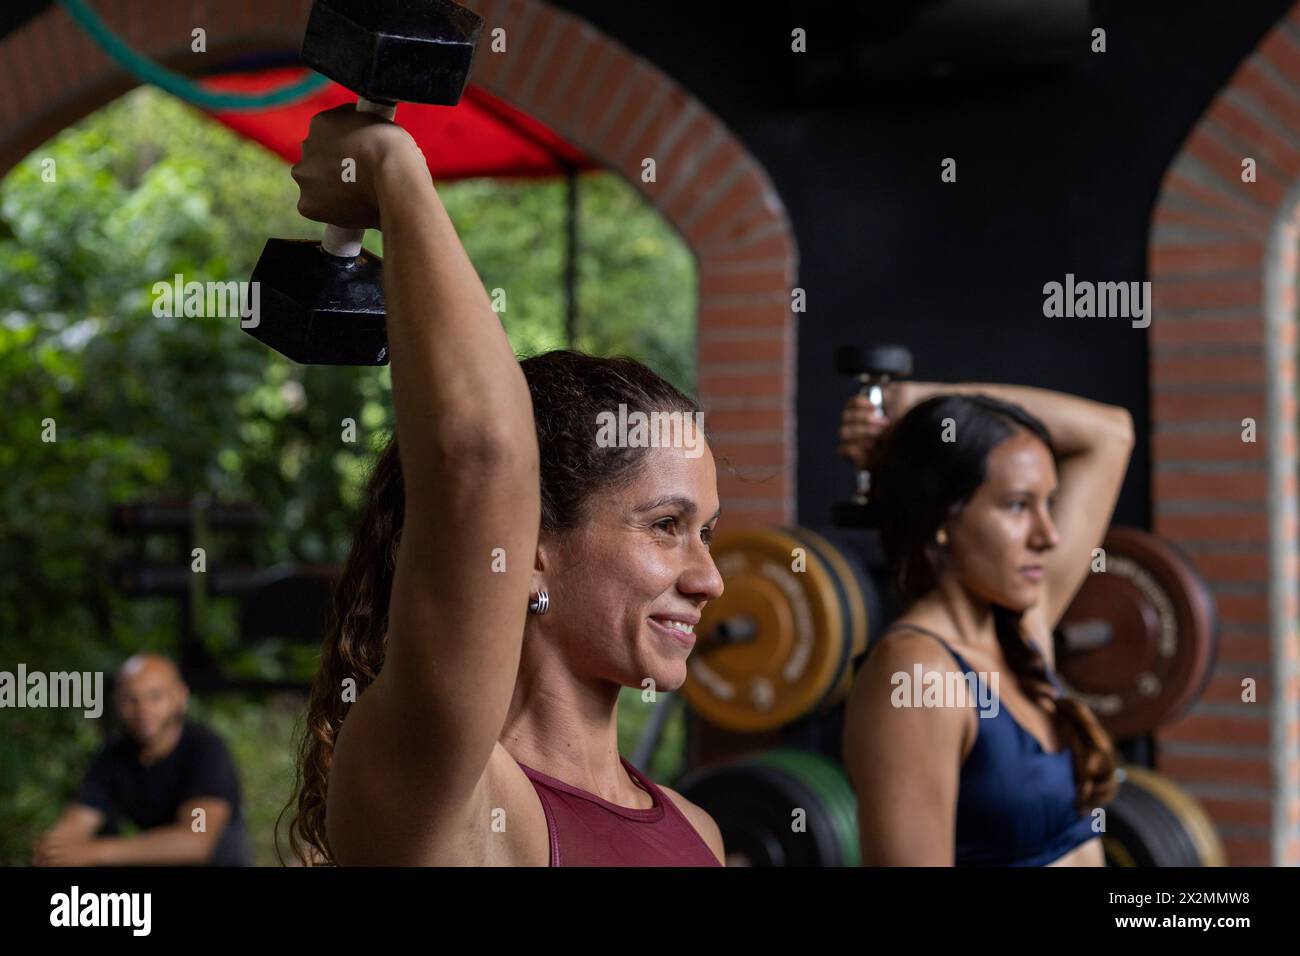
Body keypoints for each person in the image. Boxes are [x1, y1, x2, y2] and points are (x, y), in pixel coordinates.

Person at [279, 105, 725, 866]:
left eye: (706, 534)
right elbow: (480, 452)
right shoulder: (454, 800)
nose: (709, 578)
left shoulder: (698, 831)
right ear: (530, 550)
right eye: (664, 526)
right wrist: (391, 167)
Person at [838, 381, 1133, 866]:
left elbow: (1111, 434)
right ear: (943, 518)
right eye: (1018, 505)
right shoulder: (917, 673)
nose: (1049, 534)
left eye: (1049, 502)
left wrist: (915, 400)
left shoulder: (1021, 628)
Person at [32, 653, 249, 866]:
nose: (143, 710)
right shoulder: (113, 757)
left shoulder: (205, 751)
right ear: (117, 703)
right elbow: (77, 822)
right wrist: (55, 850)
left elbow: (194, 840)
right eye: (131, 699)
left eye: (155, 696)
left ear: (180, 697)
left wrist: (93, 852)